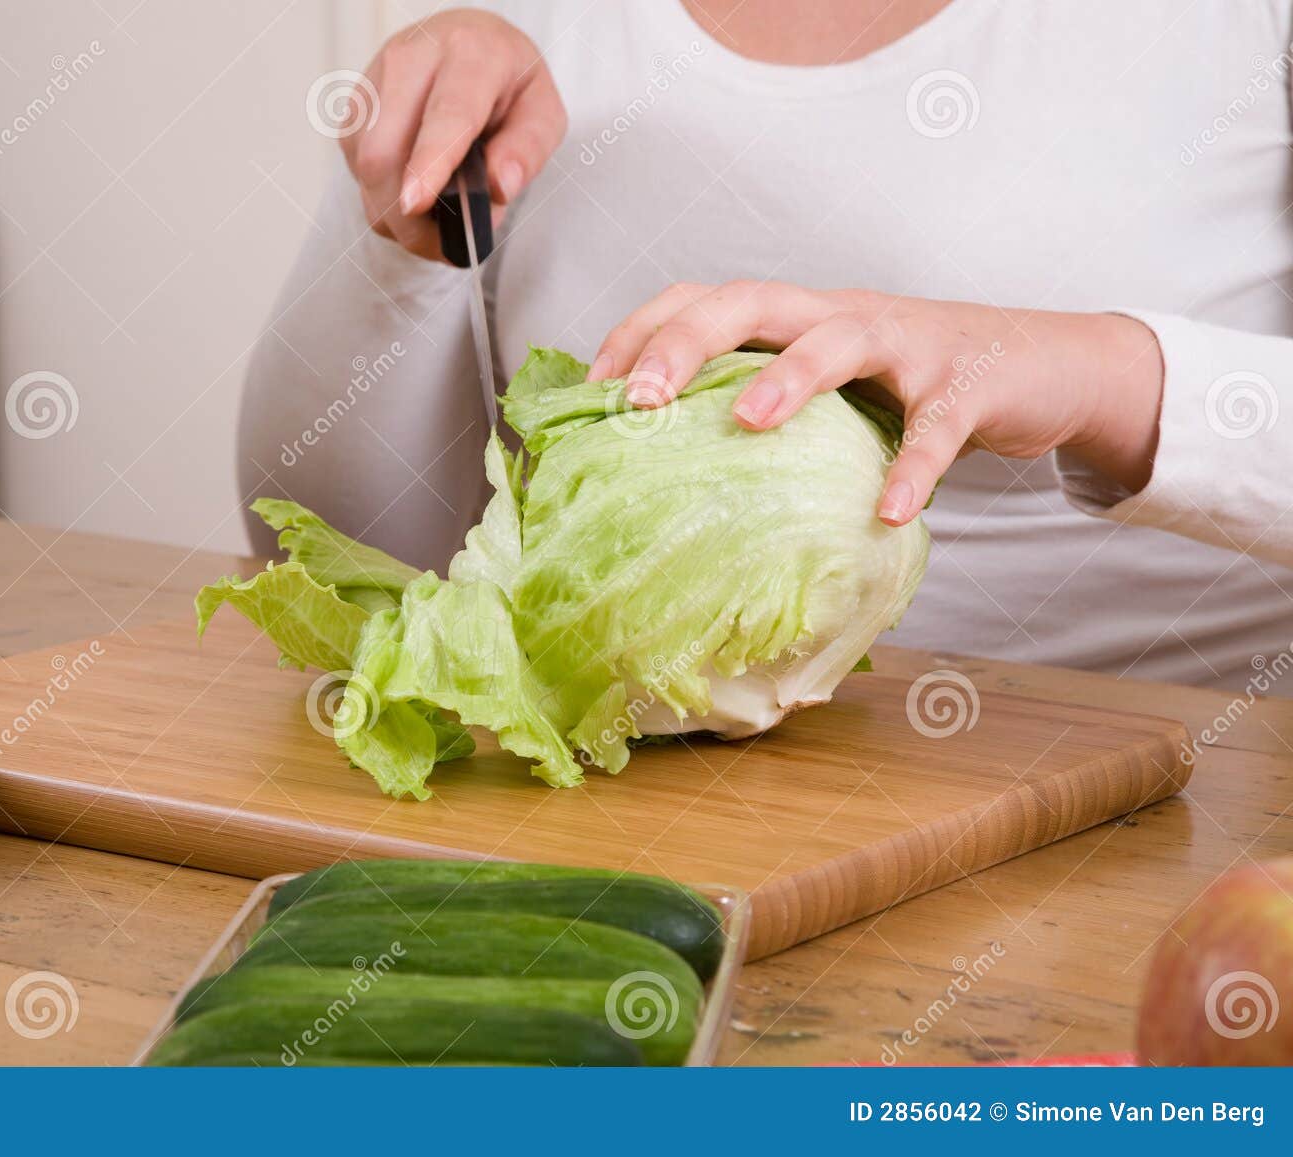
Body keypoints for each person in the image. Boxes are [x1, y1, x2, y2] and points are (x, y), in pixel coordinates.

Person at [240, 0, 1292, 691]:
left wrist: (1104, 376)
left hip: (1159, 838)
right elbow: (328, 550)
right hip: (641, 818)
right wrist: (395, 225)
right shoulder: (532, 20)